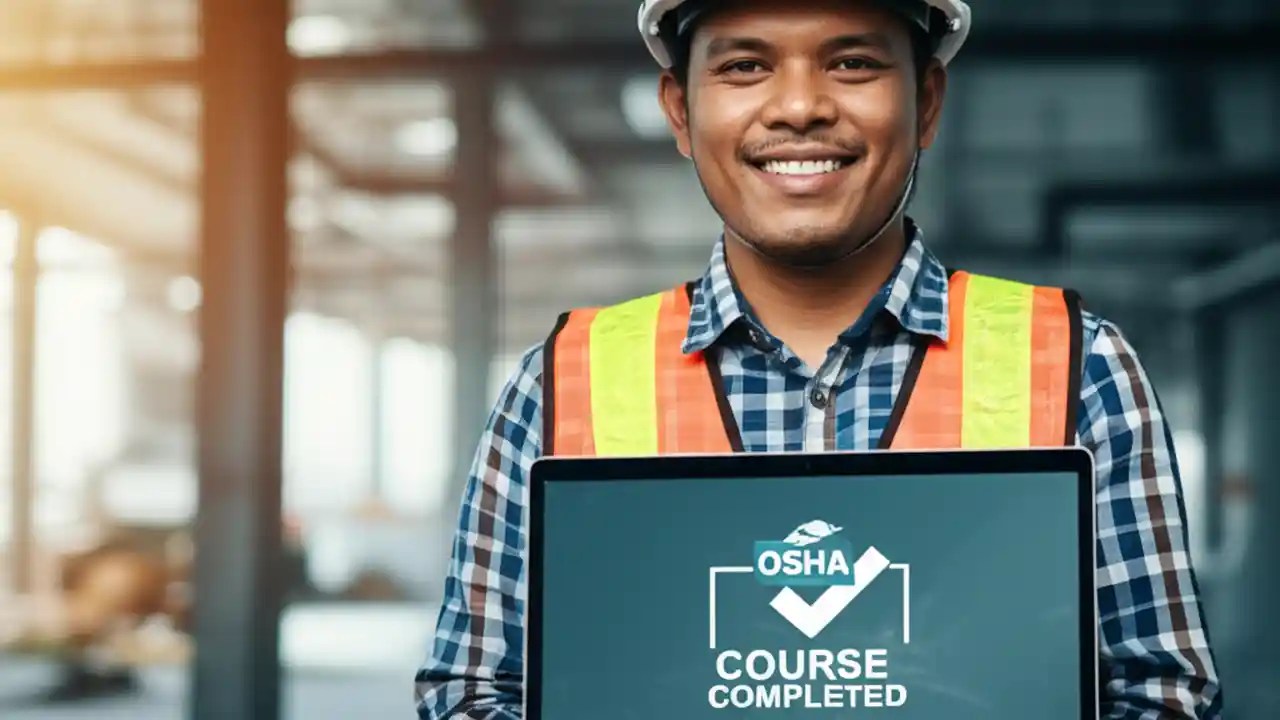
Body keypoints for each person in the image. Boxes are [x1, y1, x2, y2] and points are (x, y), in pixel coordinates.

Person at [415, 0, 1222, 717]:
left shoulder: (1079, 366)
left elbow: (1160, 695)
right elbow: (472, 694)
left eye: (853, 62)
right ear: (680, 112)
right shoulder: (560, 385)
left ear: (927, 100)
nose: (800, 106)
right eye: (744, 65)